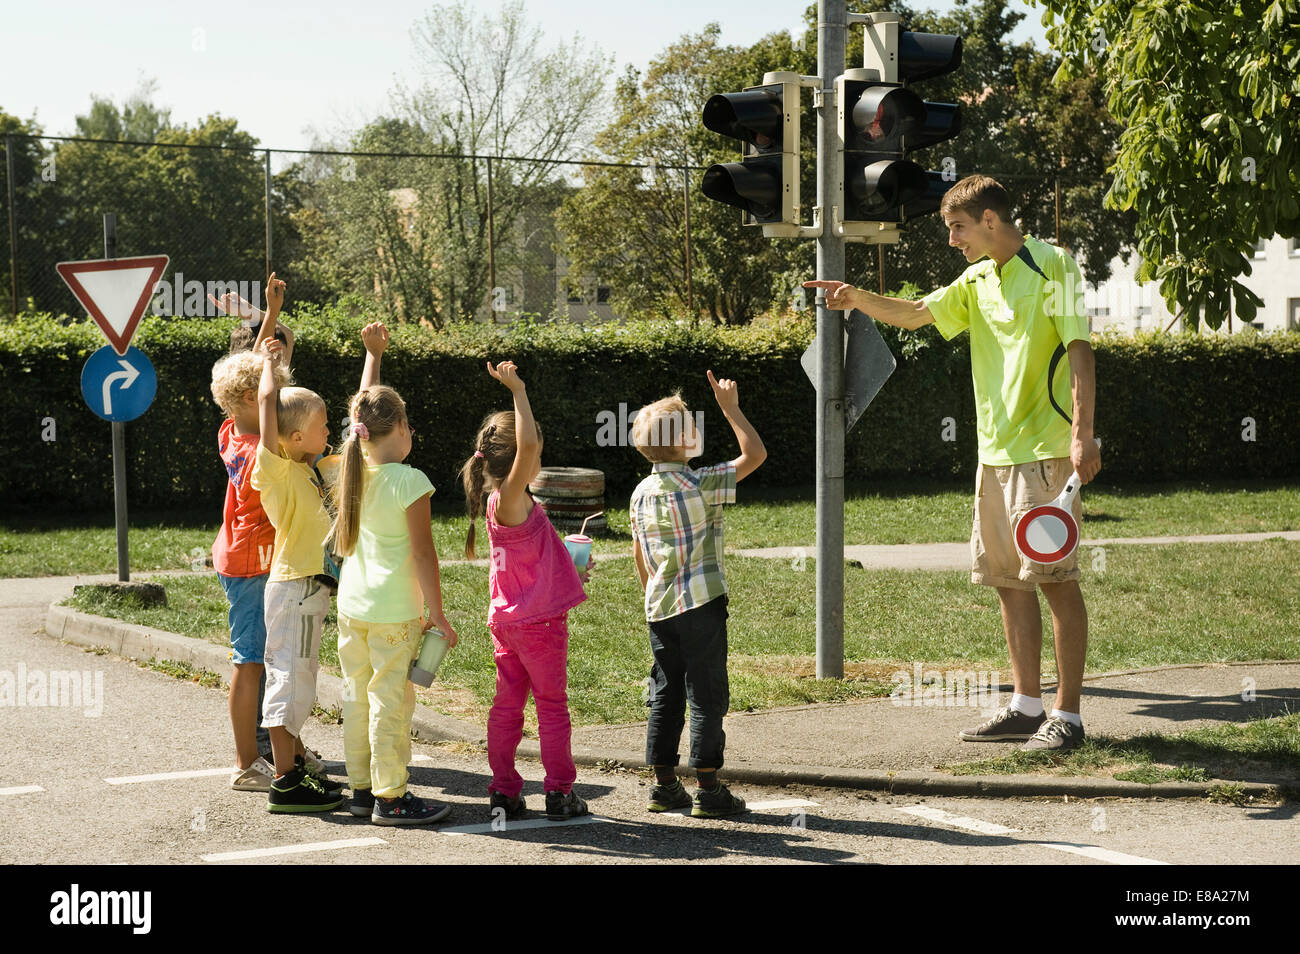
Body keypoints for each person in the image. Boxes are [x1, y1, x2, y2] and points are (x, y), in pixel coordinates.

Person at [804, 173, 1102, 752]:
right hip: (993, 456)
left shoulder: (1055, 267)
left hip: (1044, 451)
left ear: (990, 220)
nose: (952, 241)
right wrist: (858, 298)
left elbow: (1079, 349)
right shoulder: (977, 280)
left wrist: (1082, 436)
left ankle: (1068, 718)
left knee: (1055, 584)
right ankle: (1025, 705)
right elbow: (917, 313)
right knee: (1006, 583)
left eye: (957, 228)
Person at [330, 322, 459, 826]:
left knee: (356, 698)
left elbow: (363, 406)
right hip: (395, 613)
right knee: (391, 704)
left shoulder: (353, 467)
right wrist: (439, 615)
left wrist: (373, 357)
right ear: (401, 427)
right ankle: (392, 797)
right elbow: (425, 556)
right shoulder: (412, 480)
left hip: (352, 607)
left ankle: (362, 791)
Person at [628, 371, 766, 817]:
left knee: (666, 692)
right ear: (686, 440)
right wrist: (730, 409)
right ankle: (708, 789)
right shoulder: (703, 483)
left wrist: (652, 596)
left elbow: (640, 555)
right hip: (703, 605)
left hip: (660, 608)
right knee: (706, 694)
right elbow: (755, 454)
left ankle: (664, 785)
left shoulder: (640, 493)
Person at [460, 360, 591, 822]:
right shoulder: (512, 495)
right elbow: (530, 441)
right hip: (539, 627)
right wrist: (518, 389)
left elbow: (531, 563)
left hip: (508, 623)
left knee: (507, 706)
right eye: (531, 450)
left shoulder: (504, 500)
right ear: (518, 457)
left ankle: (504, 791)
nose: (539, 453)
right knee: (552, 707)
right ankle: (559, 792)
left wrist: (569, 571)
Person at [250, 291, 345, 813]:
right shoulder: (279, 471)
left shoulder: (313, 468)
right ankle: (286, 782)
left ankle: (295, 771)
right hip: (291, 589)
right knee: (288, 680)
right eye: (323, 423)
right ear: (294, 435)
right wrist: (269, 357)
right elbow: (269, 405)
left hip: (311, 590)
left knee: (302, 683)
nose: (330, 430)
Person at [208, 274, 289, 791]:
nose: (277, 389)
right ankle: (246, 765)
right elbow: (258, 387)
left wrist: (271, 317)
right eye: (269, 387)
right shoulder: (256, 447)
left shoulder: (231, 425)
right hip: (250, 566)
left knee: (263, 660)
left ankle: (269, 747)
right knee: (251, 662)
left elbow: (251, 378)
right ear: (250, 396)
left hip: (251, 562)